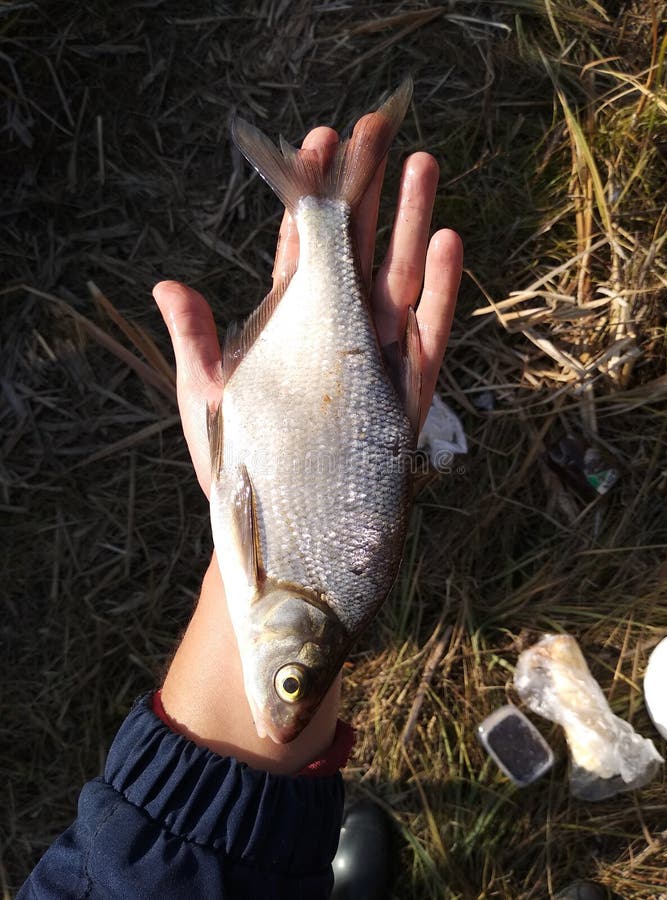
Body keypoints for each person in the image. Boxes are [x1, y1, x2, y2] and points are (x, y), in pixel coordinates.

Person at [19, 118, 462, 899]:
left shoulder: (309, 597)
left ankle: (314, 201)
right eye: (296, 684)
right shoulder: (300, 595)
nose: (282, 701)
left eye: (295, 685)